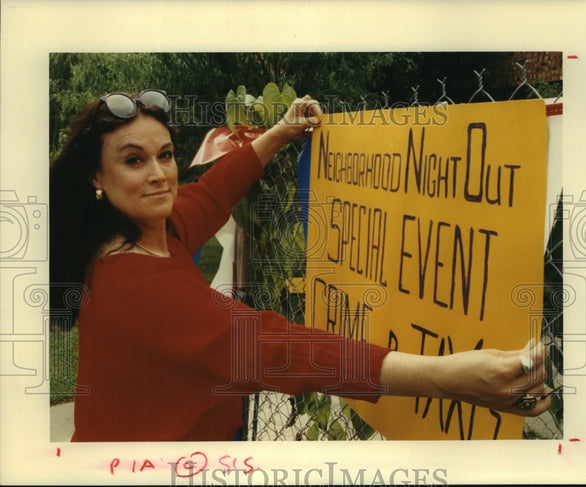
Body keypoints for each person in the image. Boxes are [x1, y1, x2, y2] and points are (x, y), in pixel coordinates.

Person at [50, 89, 552, 442]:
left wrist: (279, 133)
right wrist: (449, 377)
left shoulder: (157, 230)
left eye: (166, 154)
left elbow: (214, 190)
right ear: (97, 175)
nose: (160, 174)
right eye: (134, 160)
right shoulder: (134, 284)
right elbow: (276, 347)